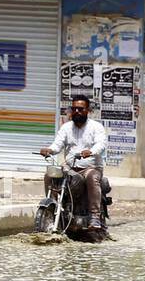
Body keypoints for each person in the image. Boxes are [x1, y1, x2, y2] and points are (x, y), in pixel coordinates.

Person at [40, 94, 108, 229]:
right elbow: (57, 145)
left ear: (88, 110)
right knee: (50, 175)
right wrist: (49, 150)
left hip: (90, 167)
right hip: (70, 168)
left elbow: (101, 144)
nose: (77, 112)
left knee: (92, 177)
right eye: (75, 109)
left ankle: (95, 216)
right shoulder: (66, 127)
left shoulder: (96, 127)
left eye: (81, 109)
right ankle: (52, 207)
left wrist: (91, 151)